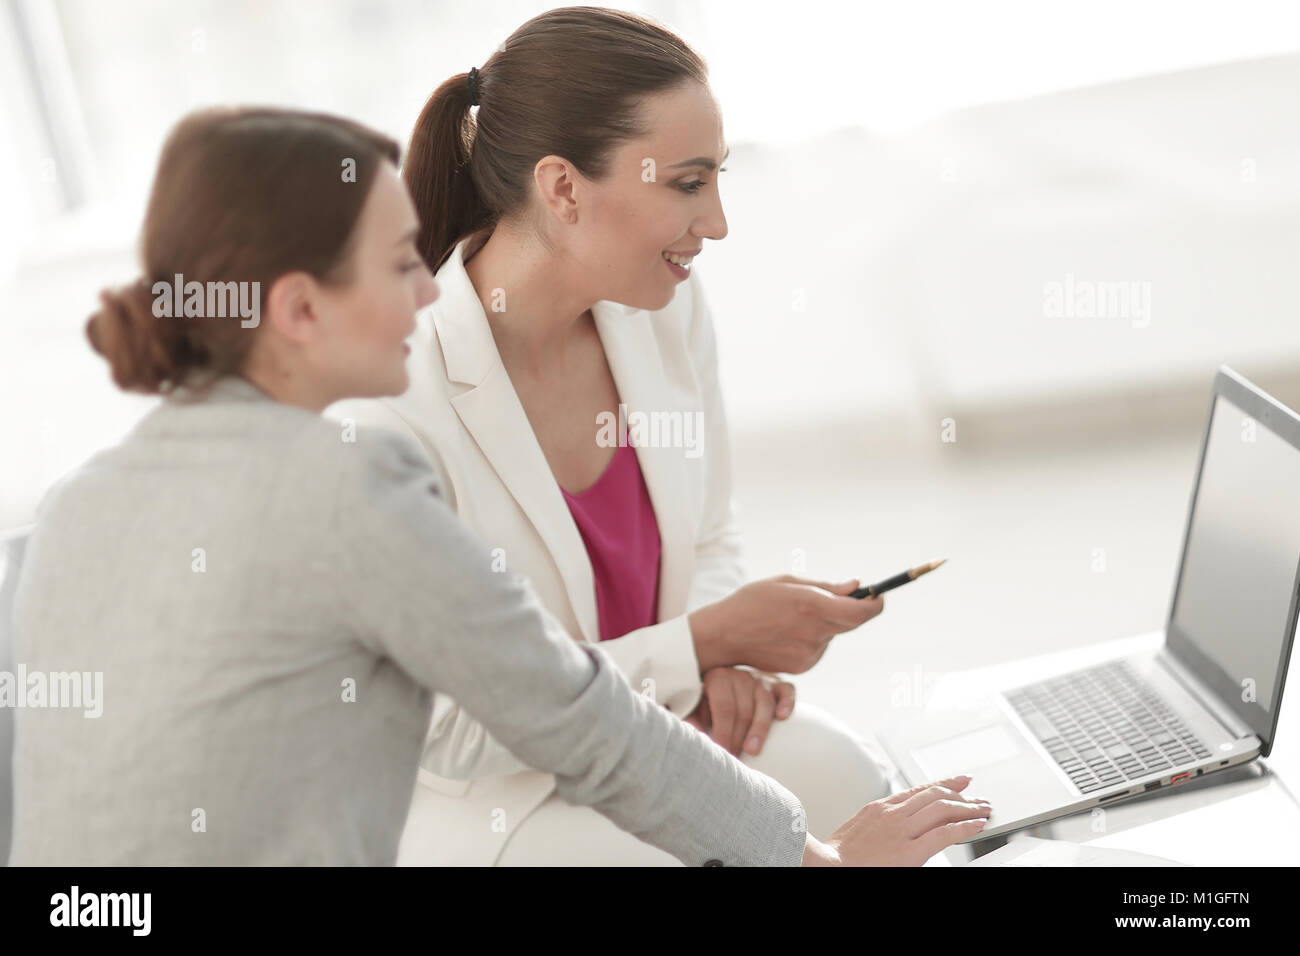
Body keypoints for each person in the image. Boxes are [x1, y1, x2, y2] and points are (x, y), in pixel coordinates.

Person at [8, 104, 990, 867]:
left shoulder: (75, 501)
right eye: (400, 264)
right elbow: (580, 720)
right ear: (300, 307)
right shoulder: (344, 481)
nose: (431, 289)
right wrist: (812, 859)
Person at [330, 6, 904, 865]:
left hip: (653, 737)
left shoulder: (662, 313)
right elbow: (448, 724)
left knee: (853, 779)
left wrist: (717, 658)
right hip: (497, 797)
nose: (716, 222)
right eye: (685, 184)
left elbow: (710, 531)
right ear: (563, 189)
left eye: (718, 180)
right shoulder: (387, 404)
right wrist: (705, 644)